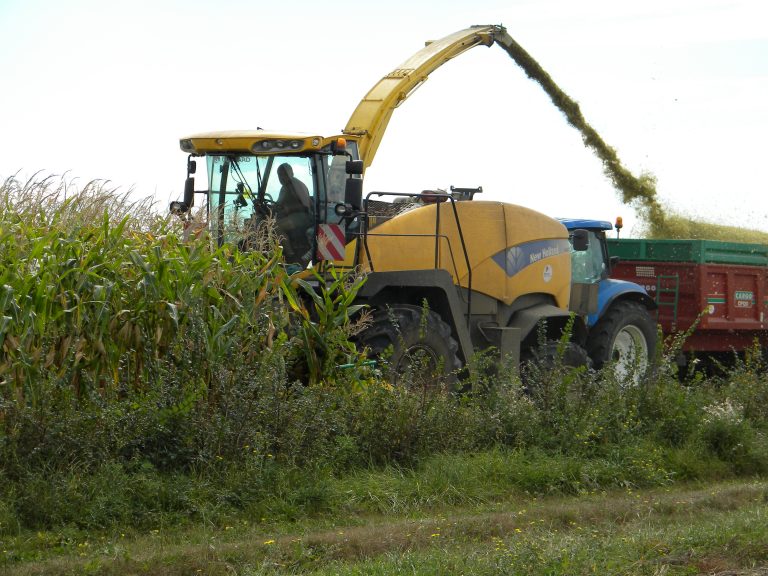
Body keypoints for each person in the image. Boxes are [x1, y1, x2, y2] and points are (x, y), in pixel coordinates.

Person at [274, 163, 313, 263]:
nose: (282, 177)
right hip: (293, 216)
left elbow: (306, 206)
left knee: (277, 227)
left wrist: (289, 209)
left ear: (291, 173)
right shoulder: (285, 187)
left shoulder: (297, 185)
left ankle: (290, 255)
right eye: (279, 175)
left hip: (303, 217)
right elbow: (279, 204)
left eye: (284, 174)